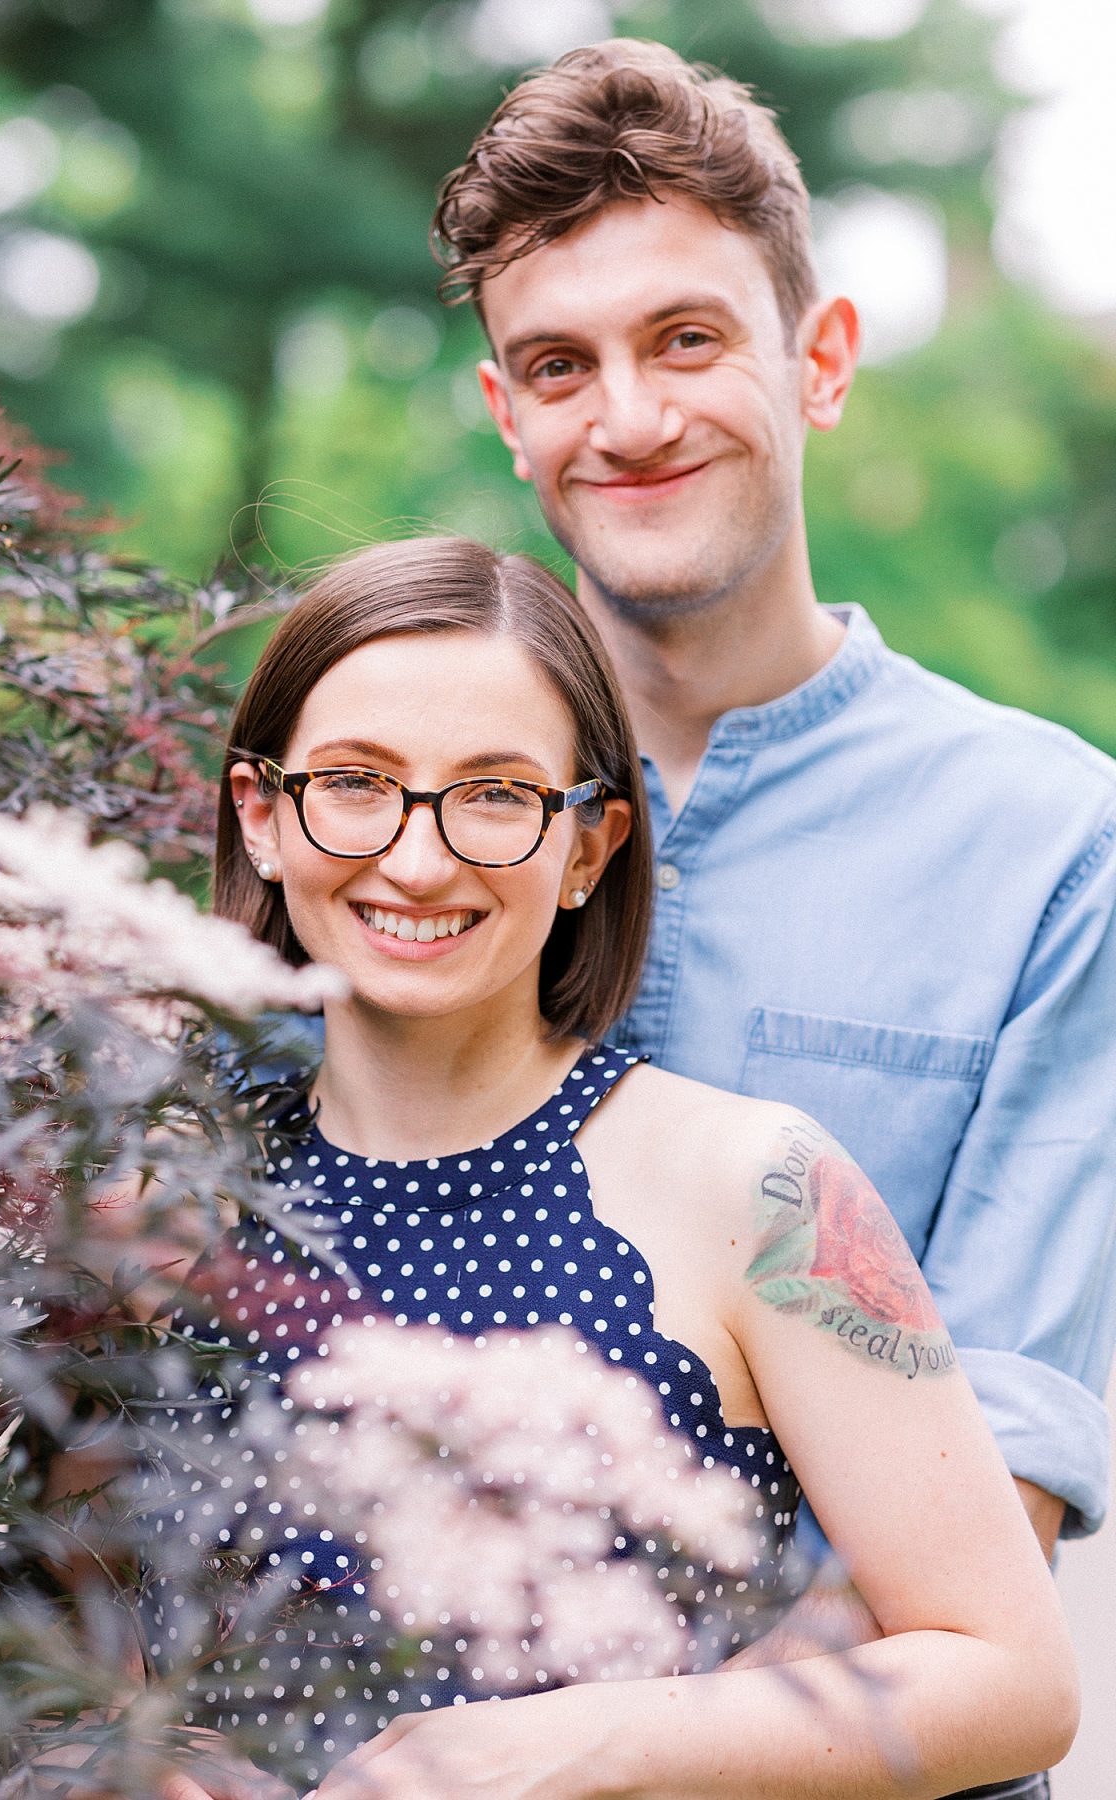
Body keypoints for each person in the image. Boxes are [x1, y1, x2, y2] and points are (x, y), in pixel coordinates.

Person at [430, 41, 1116, 1796]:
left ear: (818, 362)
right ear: (508, 419)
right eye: (560, 366)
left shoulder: (1056, 846)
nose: (631, 419)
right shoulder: (405, 832)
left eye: (687, 340)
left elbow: (994, 1499)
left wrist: (596, 1761)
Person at [182, 531, 1076, 1799]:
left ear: (589, 848)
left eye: (495, 793)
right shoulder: (151, 1197)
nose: (419, 858)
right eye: (355, 782)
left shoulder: (757, 1188)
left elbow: (1010, 1680)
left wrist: (585, 1748)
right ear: (263, 816)